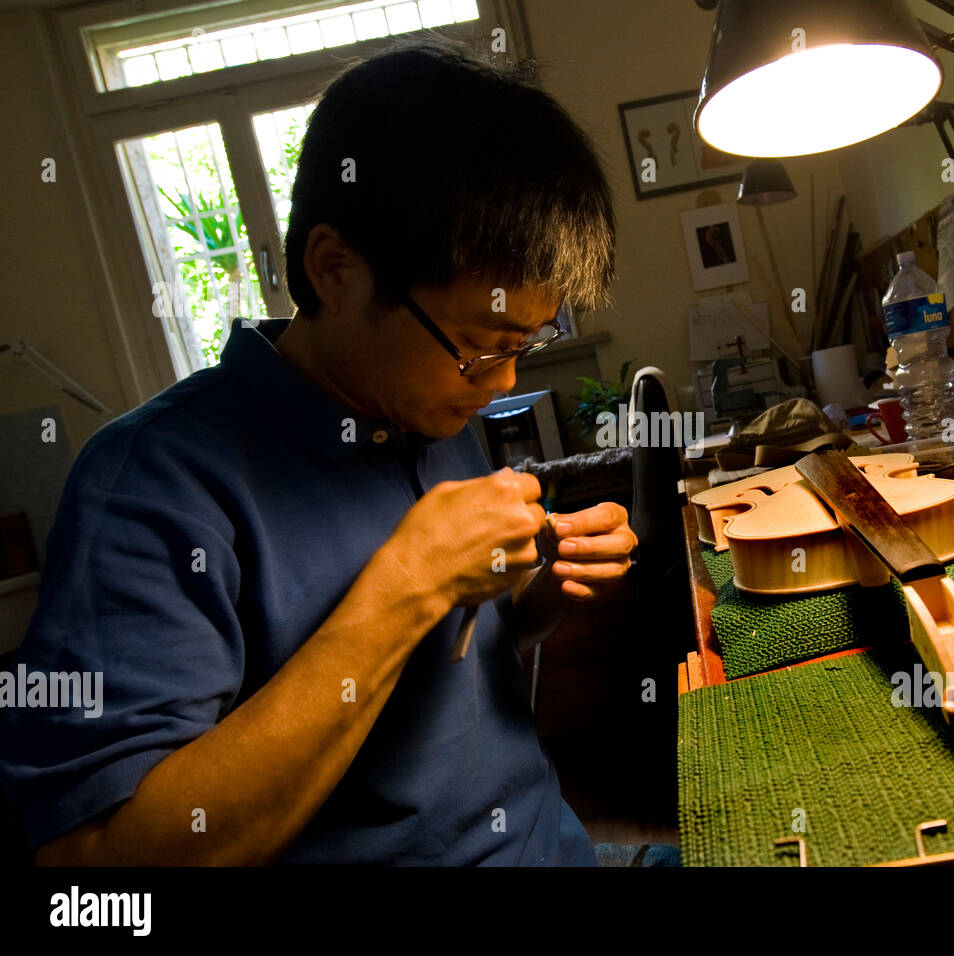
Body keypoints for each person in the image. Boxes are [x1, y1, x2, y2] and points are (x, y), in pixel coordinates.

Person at [0, 37, 653, 866]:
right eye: (481, 345)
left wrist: (537, 592)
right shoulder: (150, 486)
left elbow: (451, 668)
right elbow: (94, 868)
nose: (502, 382)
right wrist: (406, 583)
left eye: (526, 340)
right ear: (336, 269)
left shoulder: (434, 402)